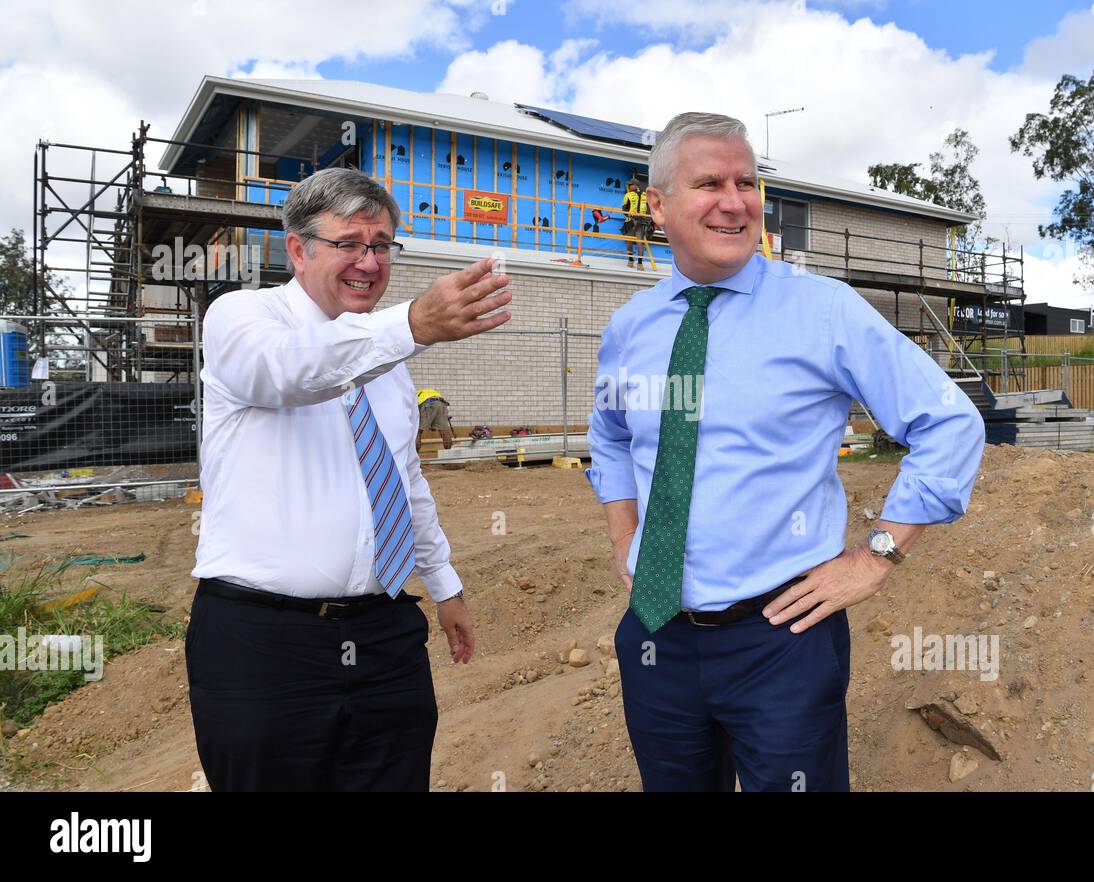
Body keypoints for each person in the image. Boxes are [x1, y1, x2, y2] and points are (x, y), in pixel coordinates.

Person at [586, 112, 985, 792]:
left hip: (782, 638)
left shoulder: (823, 310)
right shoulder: (632, 327)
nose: (735, 200)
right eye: (710, 181)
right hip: (657, 638)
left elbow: (950, 423)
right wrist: (625, 534)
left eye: (748, 182)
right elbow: (611, 437)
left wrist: (878, 556)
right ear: (658, 206)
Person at [188, 167, 511, 791]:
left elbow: (404, 478)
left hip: (383, 635)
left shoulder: (386, 360)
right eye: (350, 244)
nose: (369, 261)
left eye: (383, 244)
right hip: (262, 643)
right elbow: (286, 373)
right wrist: (408, 326)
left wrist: (445, 586)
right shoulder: (241, 319)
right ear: (298, 248)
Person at [620, 180, 651, 270]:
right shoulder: (645, 195)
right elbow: (649, 210)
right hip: (639, 221)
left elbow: (624, 210)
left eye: (630, 185)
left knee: (634, 242)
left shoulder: (628, 195)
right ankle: (636, 262)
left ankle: (634, 262)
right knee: (637, 242)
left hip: (635, 221)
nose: (629, 186)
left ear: (636, 185)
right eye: (629, 185)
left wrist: (630, 215)